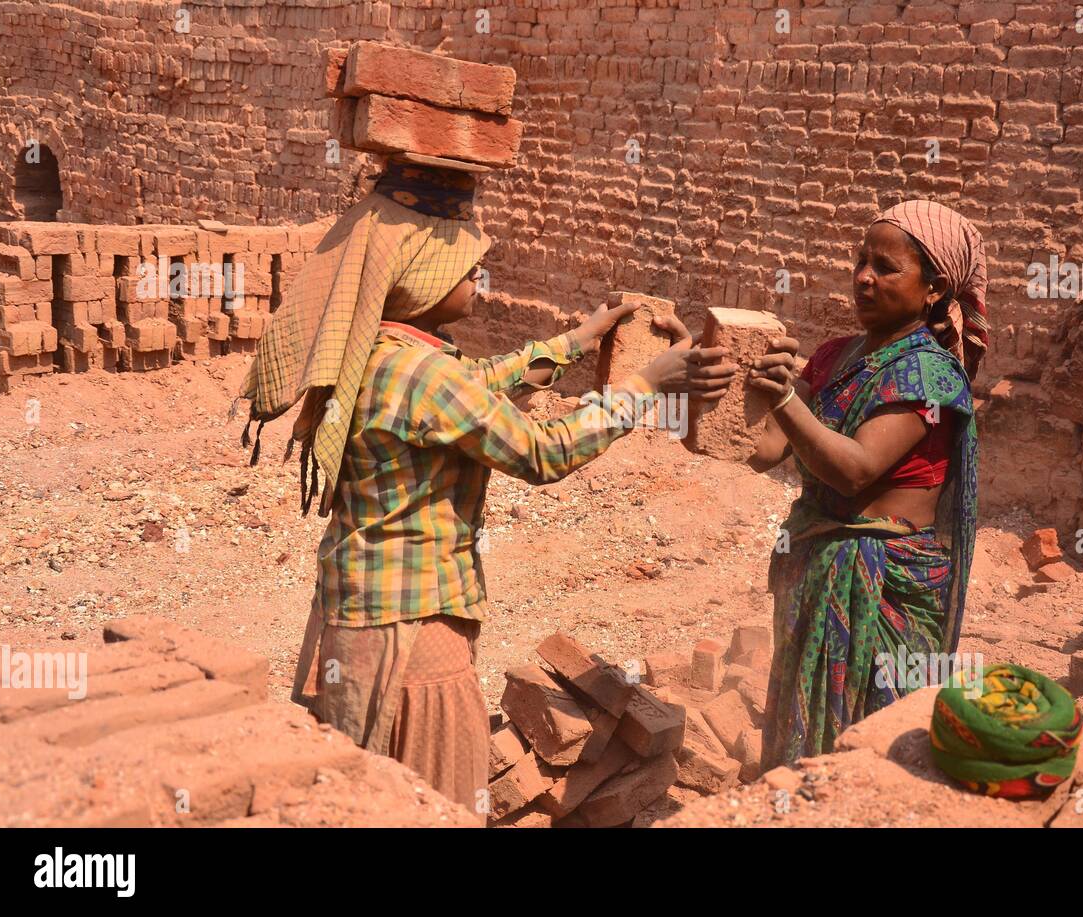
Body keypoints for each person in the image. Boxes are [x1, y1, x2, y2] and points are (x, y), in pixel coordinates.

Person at [237, 159, 695, 821]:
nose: (479, 277)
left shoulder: (383, 353)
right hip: (414, 634)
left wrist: (576, 339)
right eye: (465, 265)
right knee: (435, 801)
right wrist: (643, 388)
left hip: (361, 616)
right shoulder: (423, 375)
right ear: (420, 278)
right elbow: (544, 451)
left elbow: (479, 382)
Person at [686, 199, 988, 769]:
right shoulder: (834, 355)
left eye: (886, 267)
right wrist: (711, 386)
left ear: (933, 288)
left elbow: (854, 470)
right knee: (804, 723)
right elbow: (768, 450)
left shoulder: (930, 376)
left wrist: (783, 398)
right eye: (860, 261)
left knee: (870, 743)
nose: (864, 278)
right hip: (817, 566)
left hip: (883, 584)